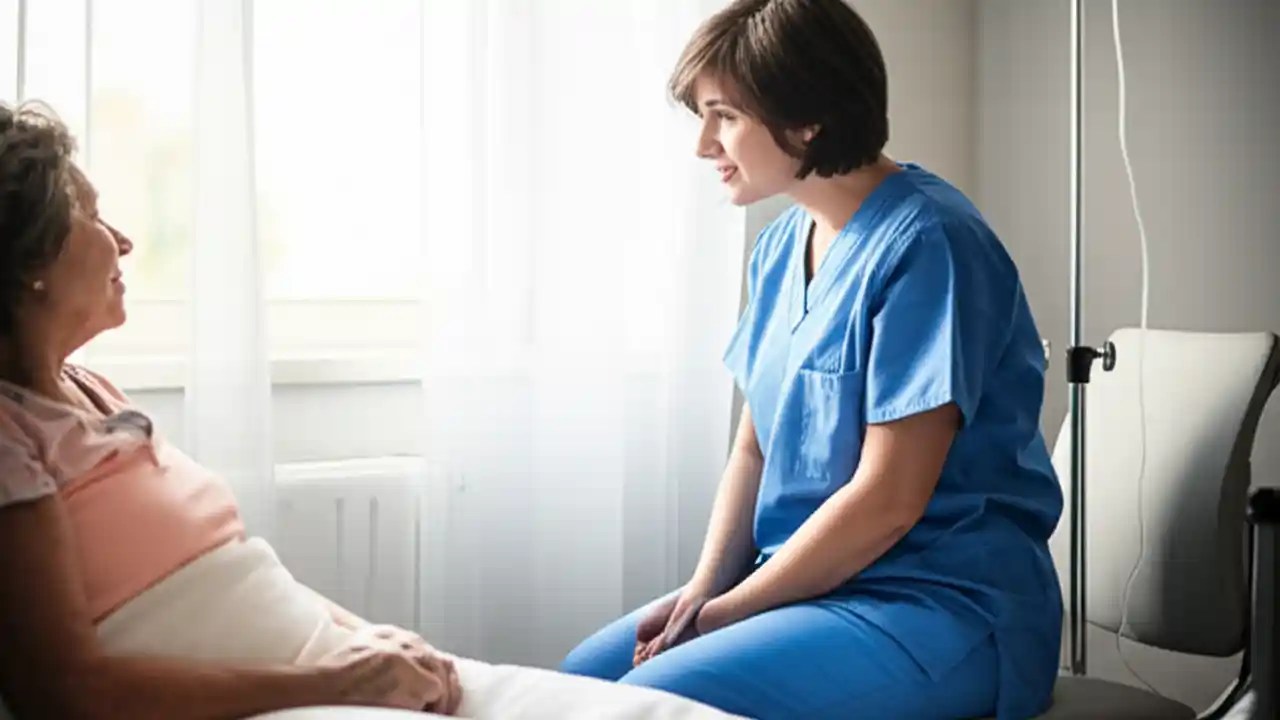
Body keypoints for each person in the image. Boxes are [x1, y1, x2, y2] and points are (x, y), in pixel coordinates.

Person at [0, 102, 742, 720]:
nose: (122, 239)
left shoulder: (89, 390)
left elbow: (244, 578)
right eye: (92, 215)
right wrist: (337, 681)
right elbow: (63, 691)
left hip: (320, 667)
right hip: (274, 699)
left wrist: (383, 644)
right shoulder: (9, 438)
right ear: (31, 261)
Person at [560, 1, 1064, 719]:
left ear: (807, 119)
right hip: (812, 587)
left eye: (724, 115)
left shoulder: (932, 246)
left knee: (649, 704)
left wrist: (728, 617)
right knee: (574, 683)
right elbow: (755, 448)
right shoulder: (779, 249)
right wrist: (706, 590)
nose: (705, 144)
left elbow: (888, 501)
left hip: (942, 606)